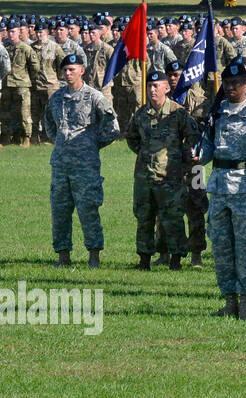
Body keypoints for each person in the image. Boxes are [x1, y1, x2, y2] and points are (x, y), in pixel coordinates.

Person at [195, 60, 246, 319]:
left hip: (245, 187)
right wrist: (197, 156)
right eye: (227, 83)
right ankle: (229, 299)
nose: (231, 87)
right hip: (218, 187)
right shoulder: (216, 113)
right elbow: (208, 149)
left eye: (237, 83)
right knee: (221, 245)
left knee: (245, 246)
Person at [46, 54, 119, 268]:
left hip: (85, 166)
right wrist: (60, 141)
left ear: (82, 71)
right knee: (59, 212)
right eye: (65, 70)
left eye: (72, 69)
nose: (68, 73)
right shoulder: (56, 98)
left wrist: (92, 144)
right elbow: (49, 123)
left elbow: (113, 128)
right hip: (60, 166)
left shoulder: (94, 97)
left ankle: (94, 255)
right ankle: (63, 255)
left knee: (88, 211)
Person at [124, 69, 200, 271]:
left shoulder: (177, 112)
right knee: (144, 218)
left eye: (156, 86)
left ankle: (175, 260)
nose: (152, 89)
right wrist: (144, 153)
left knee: (173, 219)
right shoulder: (141, 114)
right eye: (149, 85)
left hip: (170, 177)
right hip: (144, 177)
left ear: (166, 87)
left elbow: (193, 135)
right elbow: (131, 137)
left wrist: (183, 157)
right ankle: (144, 260)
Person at [2, 23, 38, 145]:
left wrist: (26, 78)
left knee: (24, 112)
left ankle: (27, 137)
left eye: (13, 32)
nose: (11, 34)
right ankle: (6, 136)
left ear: (19, 33)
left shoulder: (26, 48)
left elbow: (35, 67)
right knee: (5, 112)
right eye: (9, 32)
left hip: (21, 84)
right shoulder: (4, 47)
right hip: (7, 84)